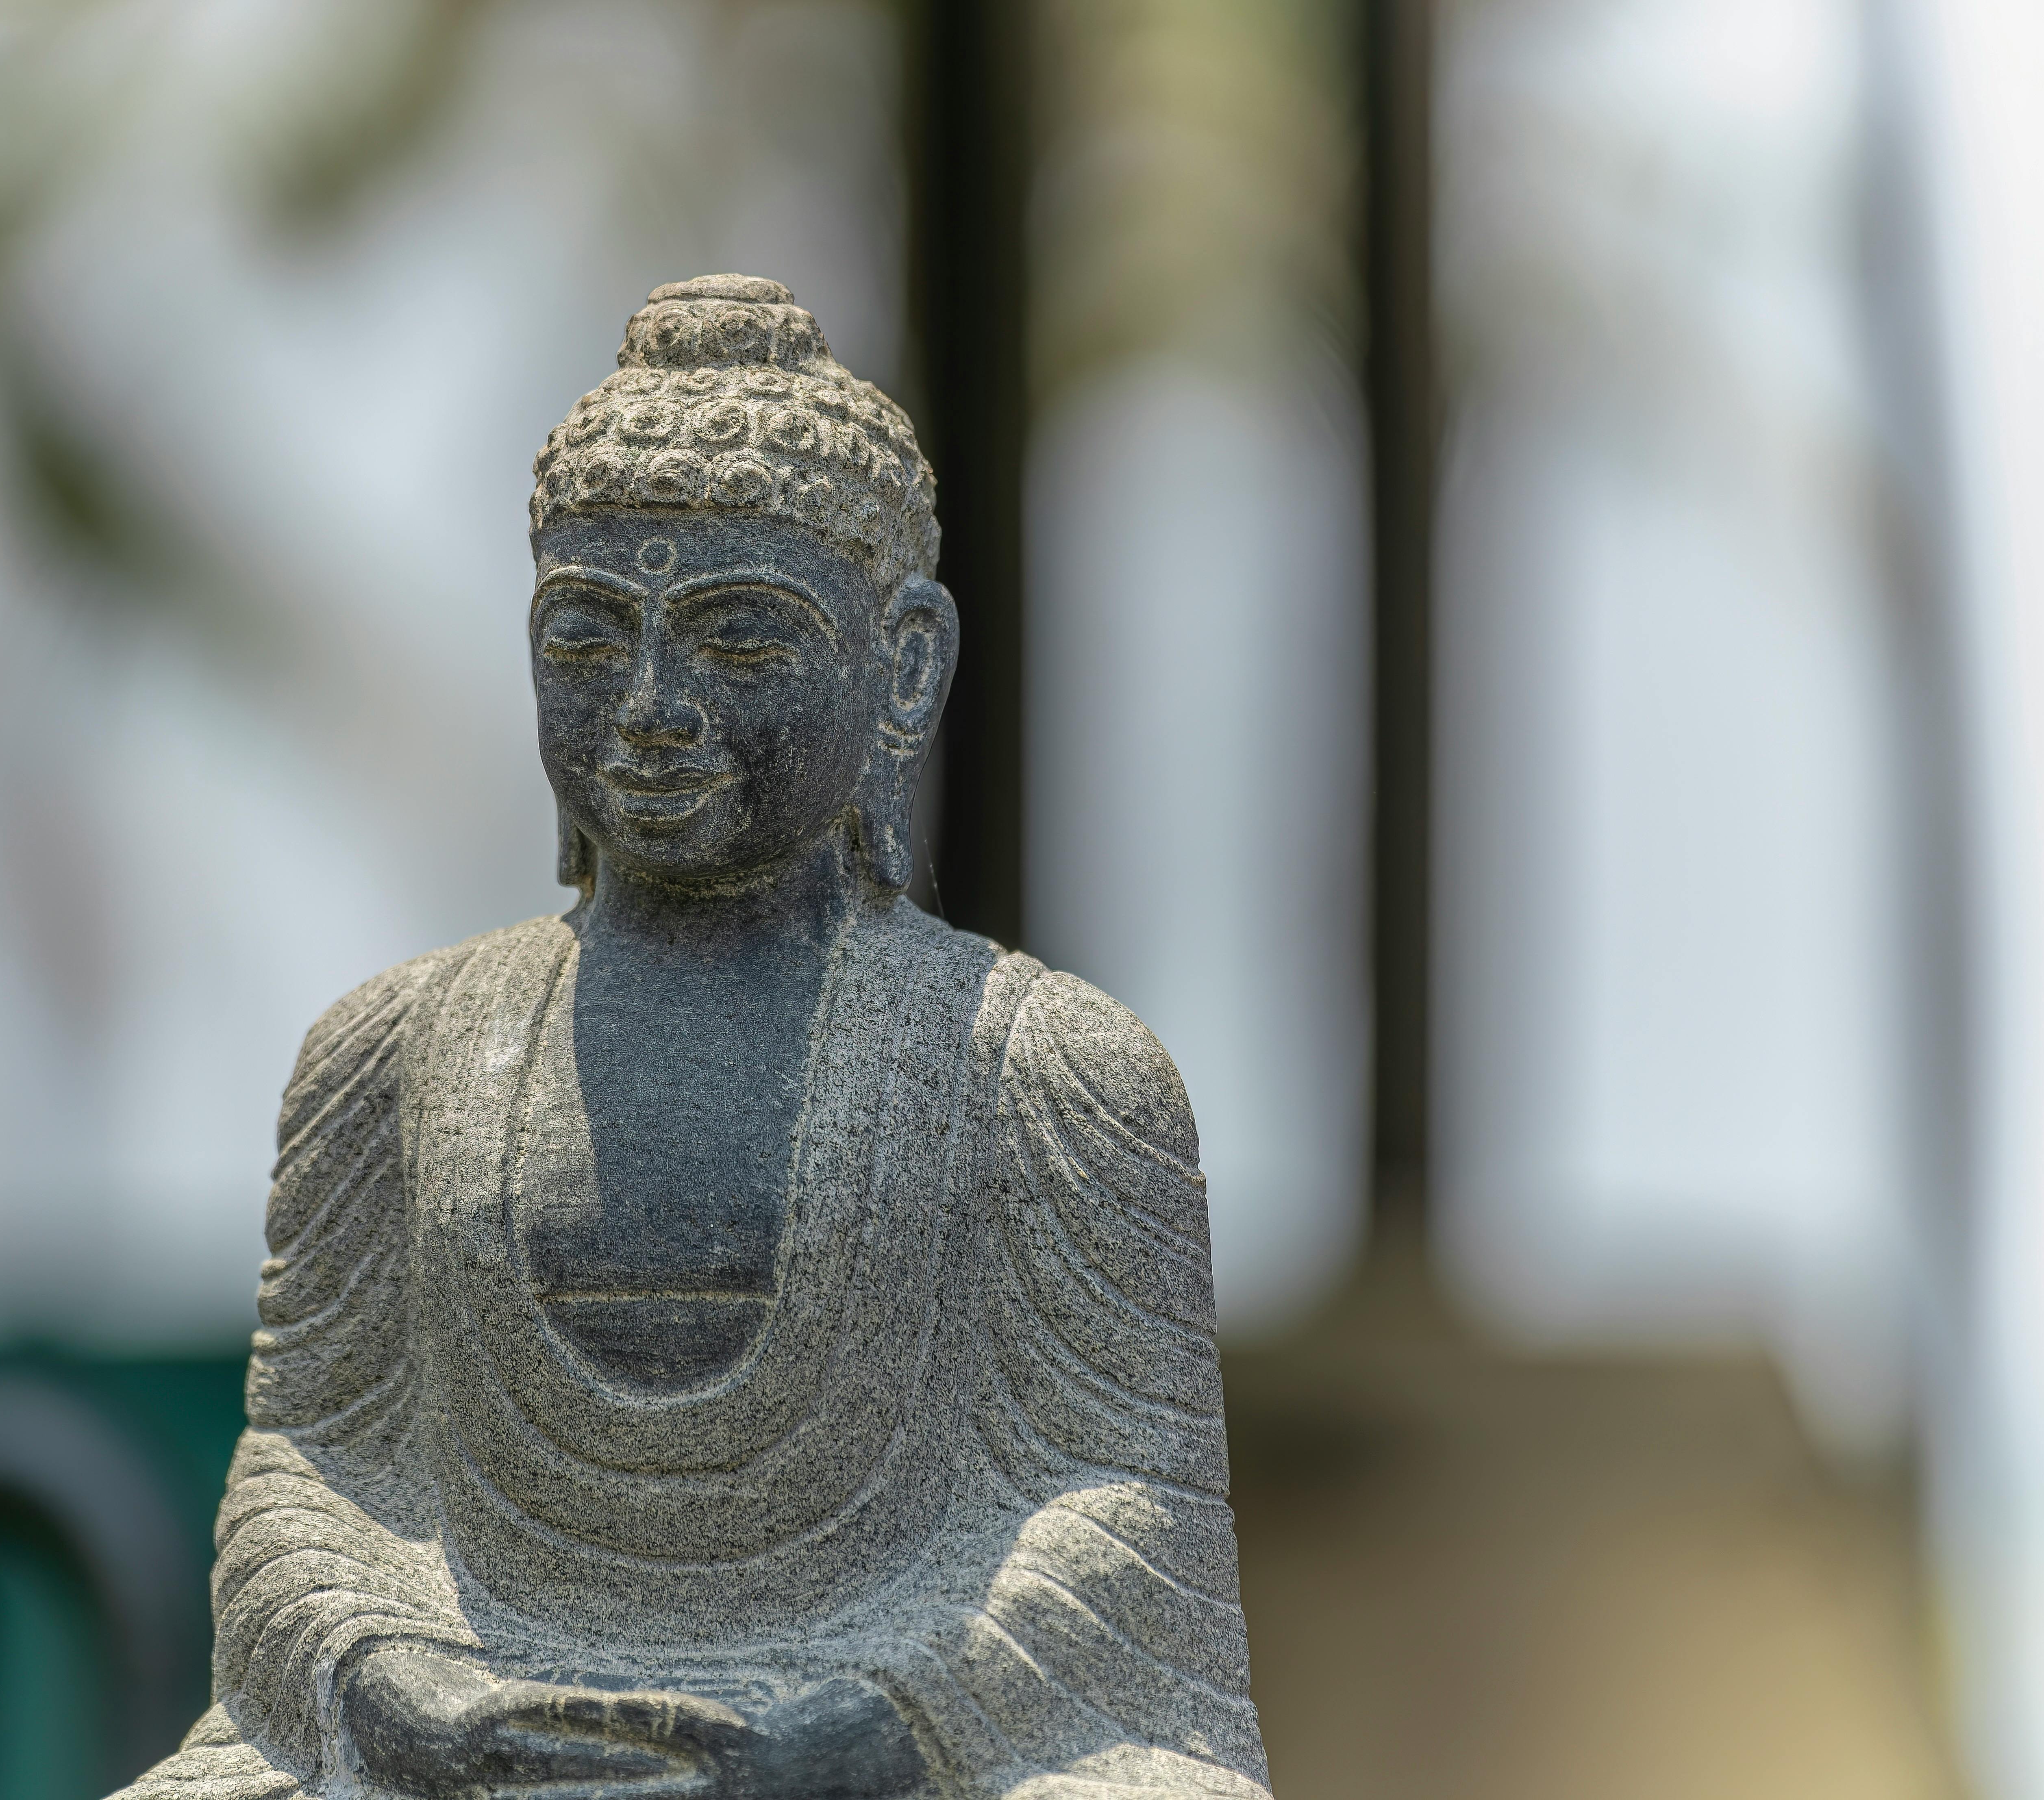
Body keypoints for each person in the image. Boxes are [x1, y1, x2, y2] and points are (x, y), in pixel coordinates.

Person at [117, 276, 1272, 1800]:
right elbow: (309, 1477)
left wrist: (879, 1723)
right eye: (590, 641)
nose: (650, 708)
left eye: (738, 640)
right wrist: (389, 1686)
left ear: (904, 667)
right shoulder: (391, 1053)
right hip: (474, 1718)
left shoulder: (1041, 1071)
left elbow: (1125, 1516)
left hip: (889, 1724)